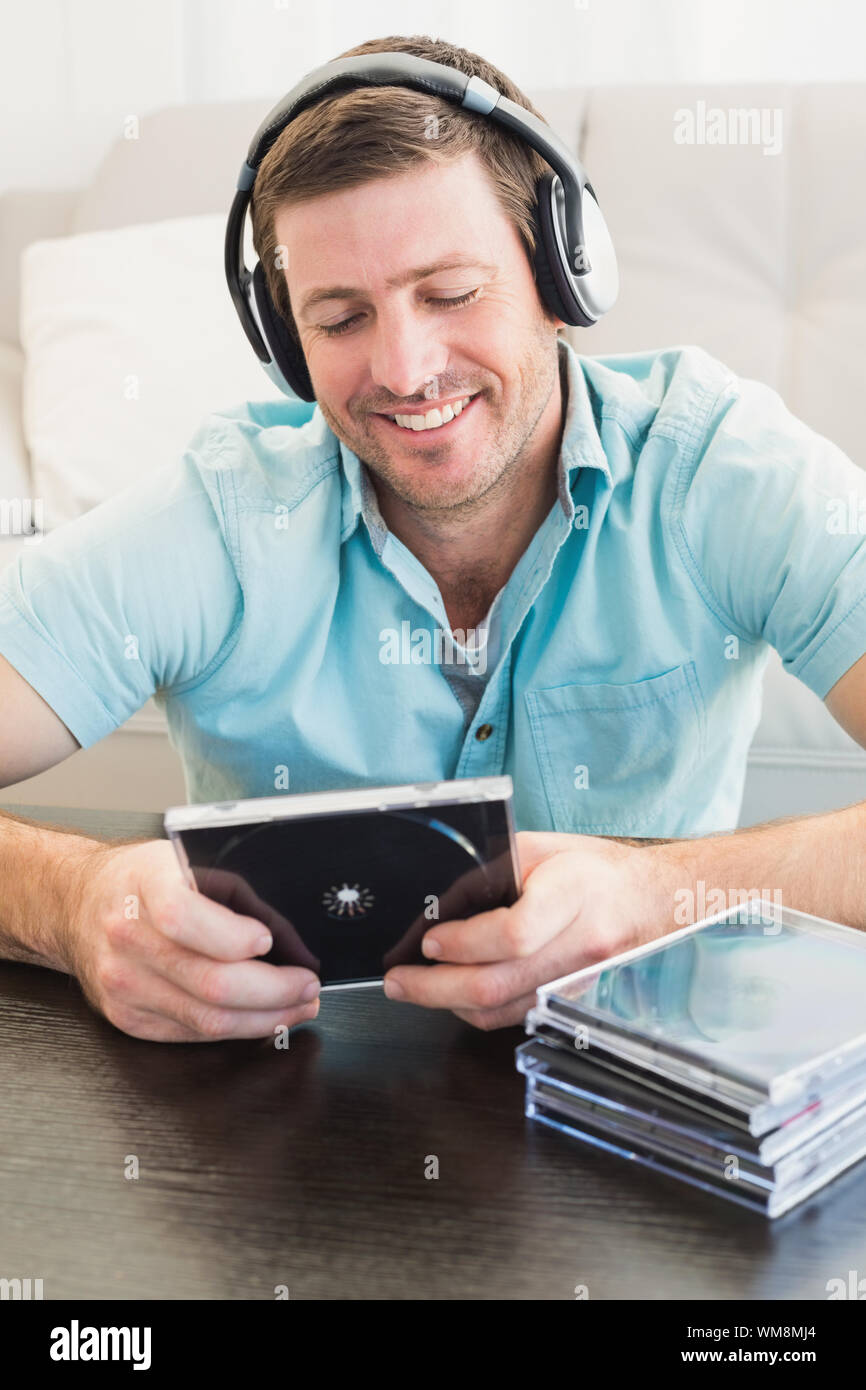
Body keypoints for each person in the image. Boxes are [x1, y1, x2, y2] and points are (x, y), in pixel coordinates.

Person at [0, 34, 864, 1043]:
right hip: (274, 1136)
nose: (404, 370)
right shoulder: (217, 518)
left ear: (560, 272)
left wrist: (654, 890)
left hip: (641, 1121)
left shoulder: (719, 469)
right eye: (337, 318)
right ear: (285, 341)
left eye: (449, 293)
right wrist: (62, 902)